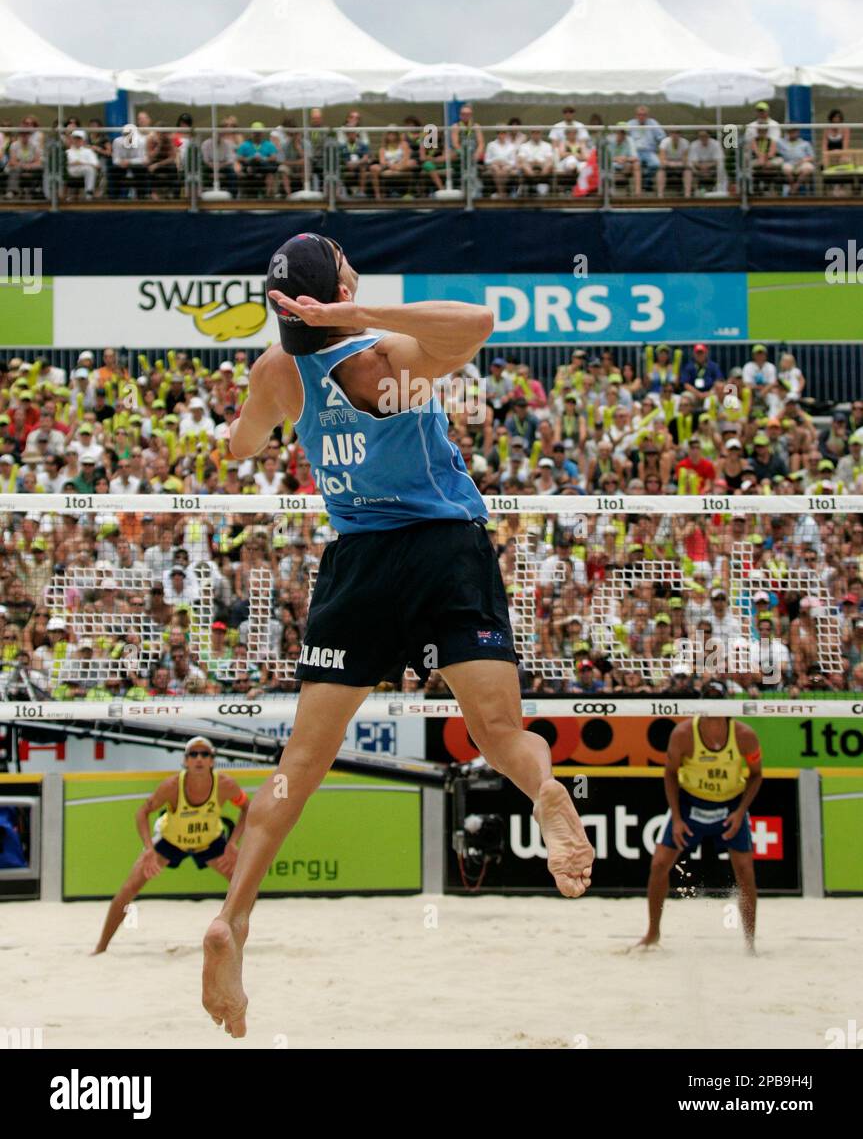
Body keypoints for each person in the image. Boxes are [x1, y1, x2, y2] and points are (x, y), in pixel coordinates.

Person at [201, 232, 595, 1035]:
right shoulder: (387, 363)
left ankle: (232, 917)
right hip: (444, 550)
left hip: (357, 564)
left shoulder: (277, 372)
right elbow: (477, 321)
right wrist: (355, 312)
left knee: (298, 766)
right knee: (497, 731)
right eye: (345, 267)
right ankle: (543, 791)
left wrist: (246, 434)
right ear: (334, 286)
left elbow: (240, 445)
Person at [93, 737, 248, 954]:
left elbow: (247, 809)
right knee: (128, 890)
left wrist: (232, 842)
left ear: (213, 761)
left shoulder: (225, 785)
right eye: (193, 754)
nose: (199, 759)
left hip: (209, 841)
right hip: (171, 840)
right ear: (185, 760)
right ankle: (101, 947)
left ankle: (233, 941)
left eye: (205, 754)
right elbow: (142, 813)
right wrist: (148, 848)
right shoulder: (172, 786)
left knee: (245, 887)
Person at [637, 690, 763, 951]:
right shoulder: (683, 735)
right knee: (659, 864)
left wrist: (740, 812)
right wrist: (679, 818)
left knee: (745, 872)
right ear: (701, 707)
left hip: (730, 804)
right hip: (690, 802)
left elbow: (756, 775)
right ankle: (652, 933)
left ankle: (750, 943)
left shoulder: (744, 736)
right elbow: (670, 774)